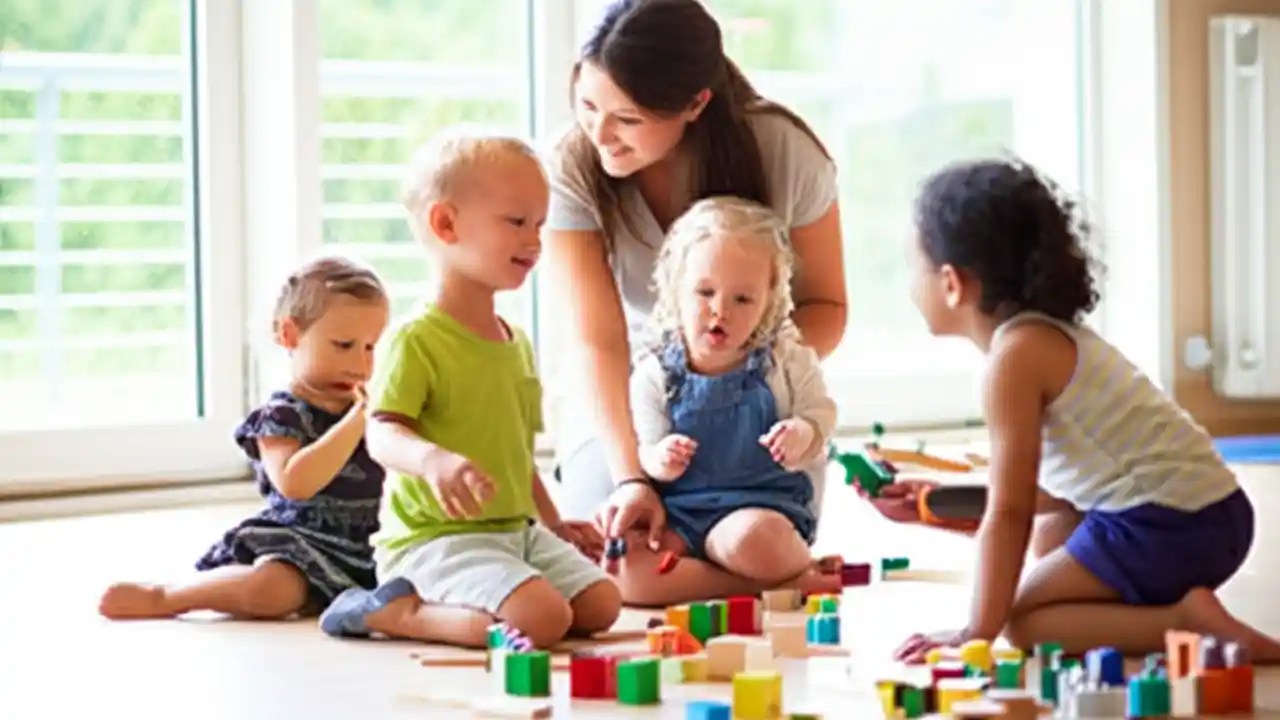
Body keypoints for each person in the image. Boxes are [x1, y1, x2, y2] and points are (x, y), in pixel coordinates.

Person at [875, 156, 1280, 662]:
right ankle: (1164, 608)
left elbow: (1011, 510)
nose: (911, 282)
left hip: (1171, 526)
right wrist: (941, 499)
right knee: (1056, 531)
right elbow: (1043, 492)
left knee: (1024, 626)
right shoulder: (1044, 337)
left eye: (916, 266)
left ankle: (1187, 625)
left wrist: (976, 630)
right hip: (1212, 515)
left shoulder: (1014, 358)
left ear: (952, 282)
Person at [542, 0, 848, 542]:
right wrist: (632, 475)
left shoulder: (782, 151)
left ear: (695, 103)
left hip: (756, 389)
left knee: (760, 542)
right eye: (587, 106)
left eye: (628, 119)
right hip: (633, 391)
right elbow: (598, 341)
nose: (601, 133)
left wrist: (748, 368)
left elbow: (828, 306)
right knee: (611, 547)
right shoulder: (573, 165)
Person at [317, 129, 622, 649]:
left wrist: (553, 525)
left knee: (602, 604)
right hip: (435, 539)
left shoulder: (515, 341)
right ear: (445, 223)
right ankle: (397, 612)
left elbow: (515, 458)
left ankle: (496, 589)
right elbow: (382, 433)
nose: (534, 241)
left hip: (511, 530)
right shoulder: (417, 338)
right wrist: (433, 460)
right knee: (541, 620)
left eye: (540, 225)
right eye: (516, 222)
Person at [98, 256, 391, 620]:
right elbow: (295, 483)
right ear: (290, 335)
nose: (361, 364)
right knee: (269, 590)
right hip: (303, 542)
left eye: (371, 347)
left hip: (375, 543)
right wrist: (357, 420)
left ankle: (326, 597)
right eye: (344, 344)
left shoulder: (376, 409)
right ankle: (168, 596)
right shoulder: (283, 416)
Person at [606, 196, 842, 606]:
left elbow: (821, 414)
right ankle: (776, 585)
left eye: (742, 299)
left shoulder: (784, 360)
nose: (720, 311)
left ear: (769, 299)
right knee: (625, 573)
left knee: (752, 542)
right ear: (674, 288)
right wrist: (662, 458)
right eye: (705, 292)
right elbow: (646, 447)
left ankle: (750, 570)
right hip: (681, 515)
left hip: (759, 511)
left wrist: (801, 433)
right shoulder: (654, 373)